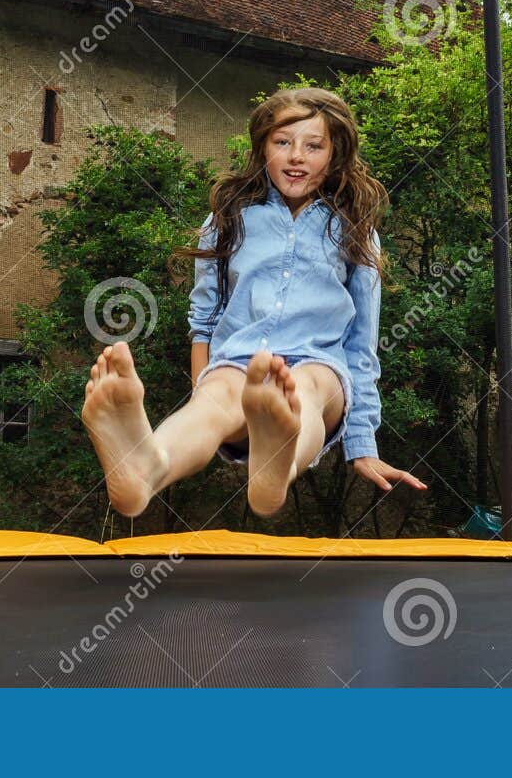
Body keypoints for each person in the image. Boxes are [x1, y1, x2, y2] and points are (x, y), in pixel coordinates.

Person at [81, 86, 427, 518]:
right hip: (238, 359)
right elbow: (204, 322)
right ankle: (147, 466)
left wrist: (362, 445)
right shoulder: (228, 220)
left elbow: (361, 346)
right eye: (283, 142)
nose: (296, 155)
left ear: (335, 155)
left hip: (321, 363)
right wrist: (201, 396)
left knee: (304, 389)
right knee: (216, 399)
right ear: (263, 147)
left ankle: (275, 469)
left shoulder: (355, 230)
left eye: (313, 145)